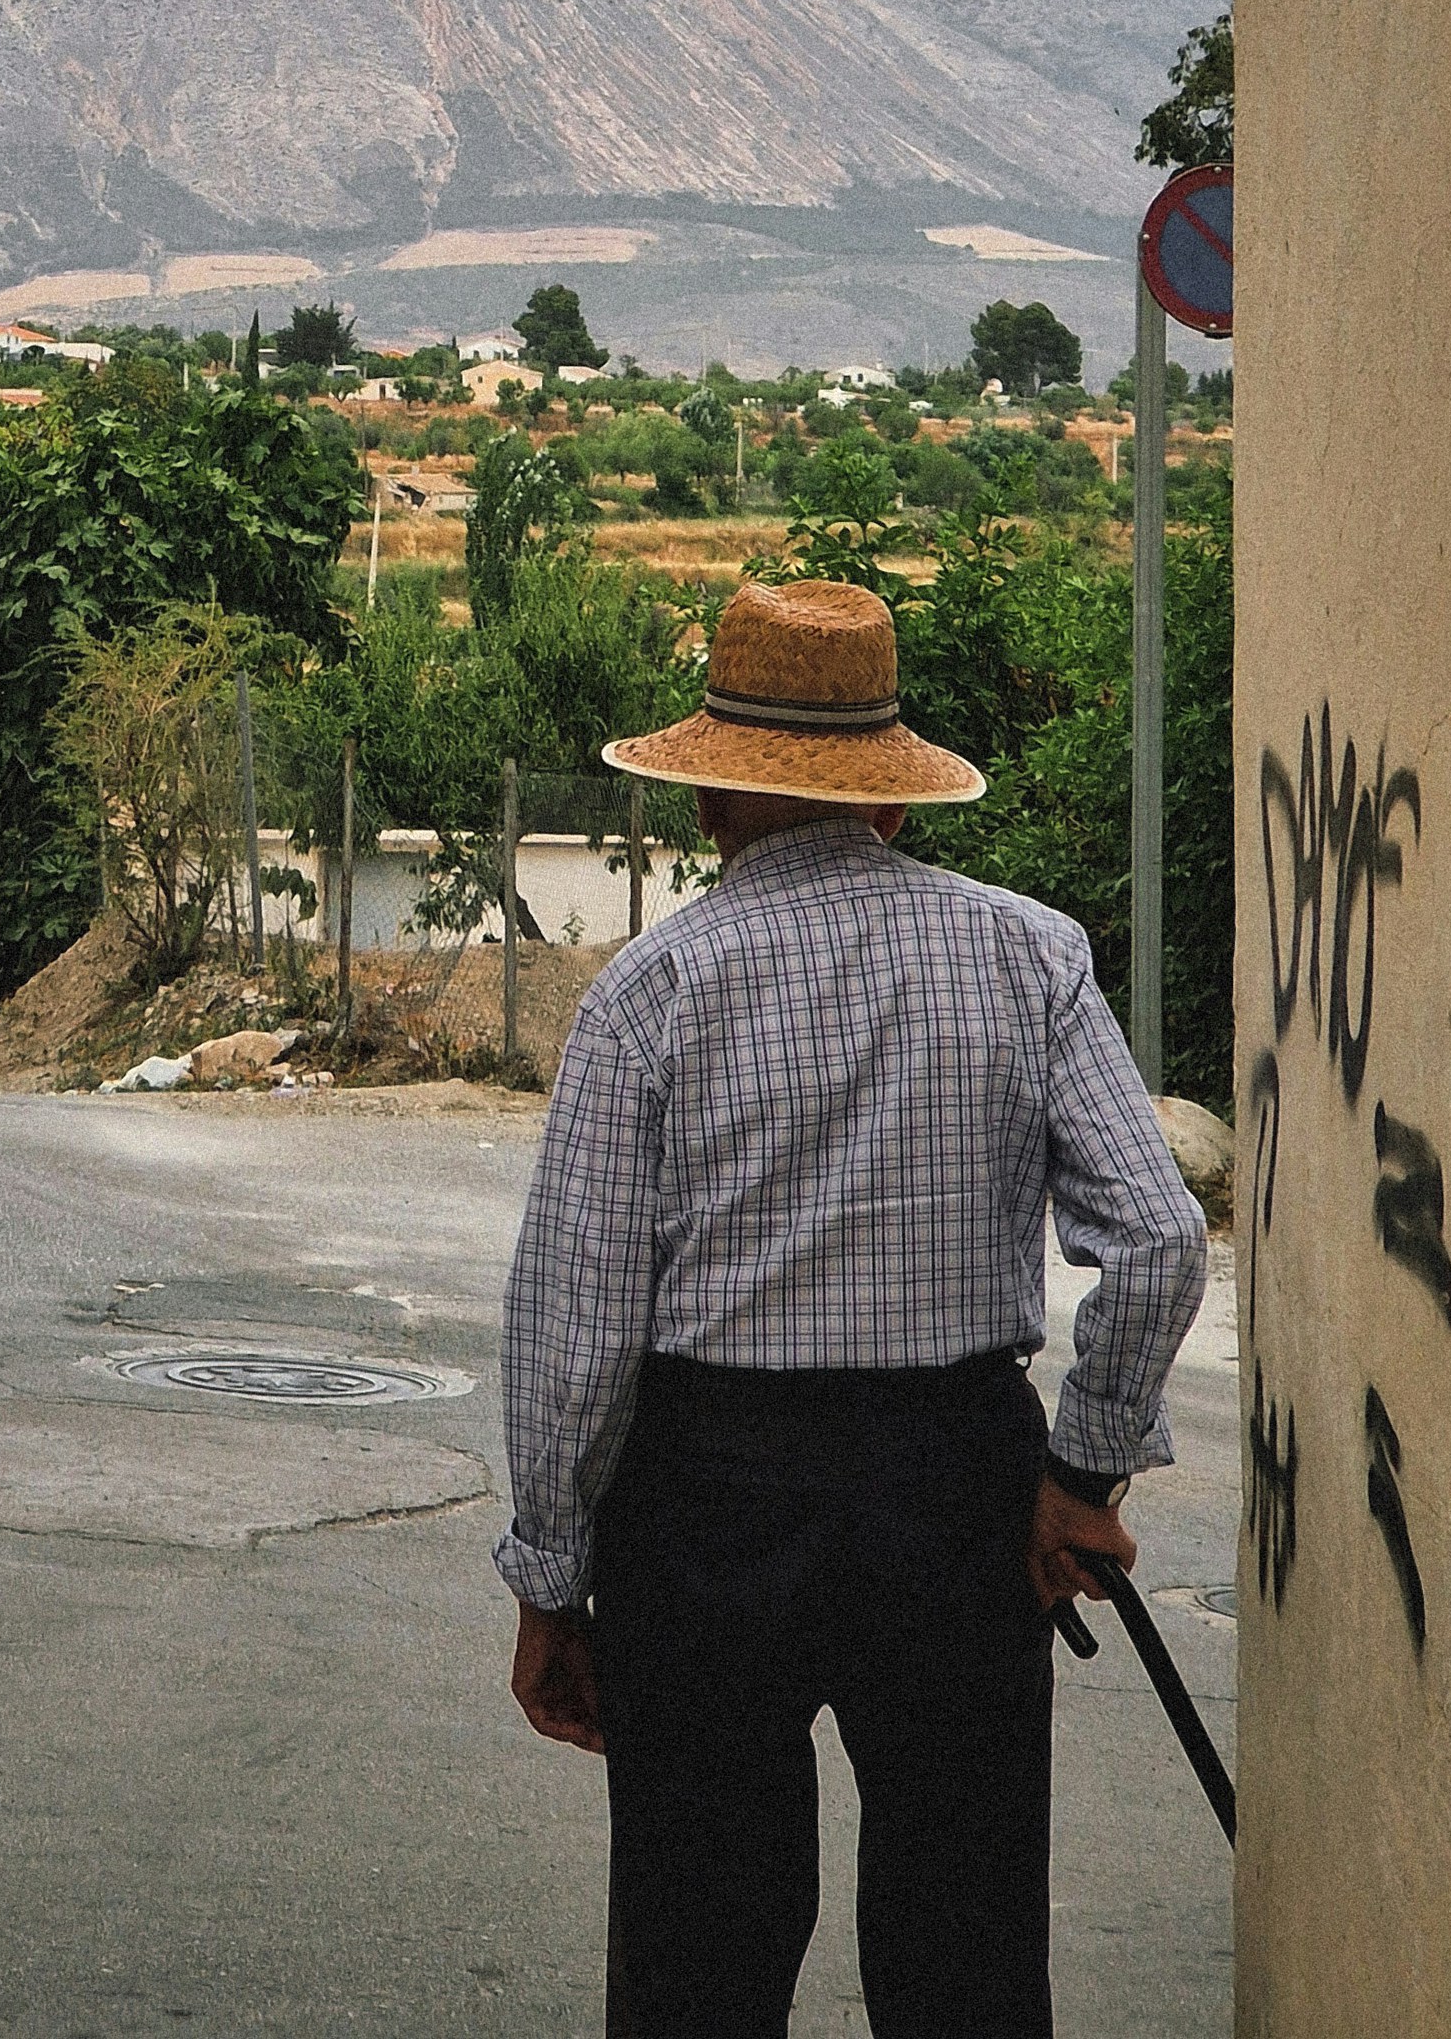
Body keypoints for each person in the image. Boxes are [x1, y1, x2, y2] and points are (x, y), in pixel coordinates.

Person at [495, 577, 1207, 2039]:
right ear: (892, 798)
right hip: (957, 1492)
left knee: (700, 1955)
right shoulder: (1032, 954)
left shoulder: (649, 992)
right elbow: (1159, 1234)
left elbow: (577, 1333)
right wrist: (1081, 1475)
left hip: (705, 1511)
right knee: (964, 1960)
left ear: (708, 803)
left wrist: (552, 1577)